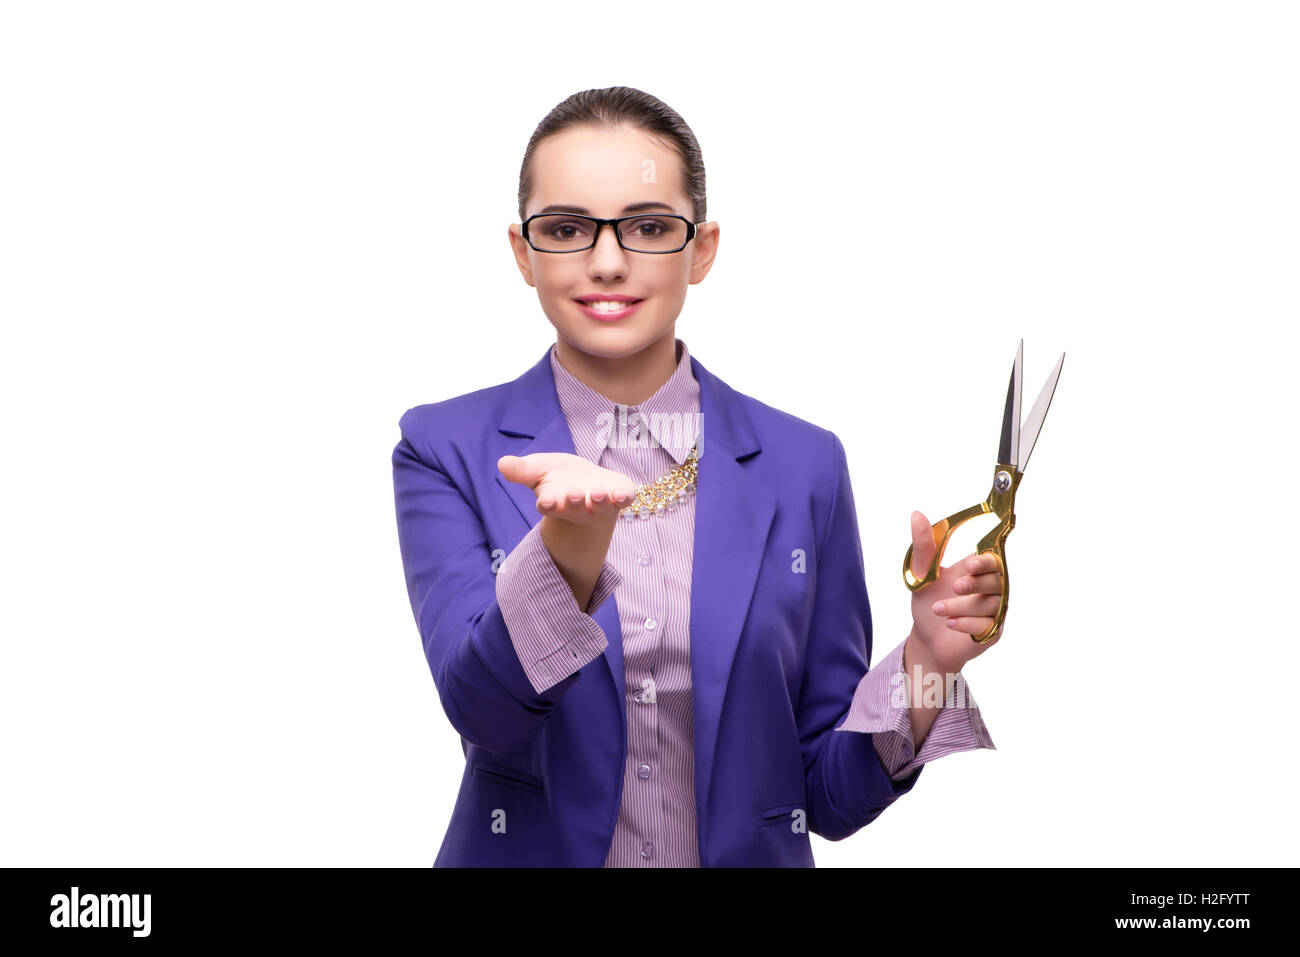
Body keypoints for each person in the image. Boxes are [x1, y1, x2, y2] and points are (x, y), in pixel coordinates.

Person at [391, 86, 1001, 867]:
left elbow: (825, 792)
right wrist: (569, 549)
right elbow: (485, 712)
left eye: (648, 227)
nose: (608, 262)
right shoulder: (444, 447)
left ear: (702, 248)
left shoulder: (804, 465)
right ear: (524, 252)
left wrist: (925, 662)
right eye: (568, 229)